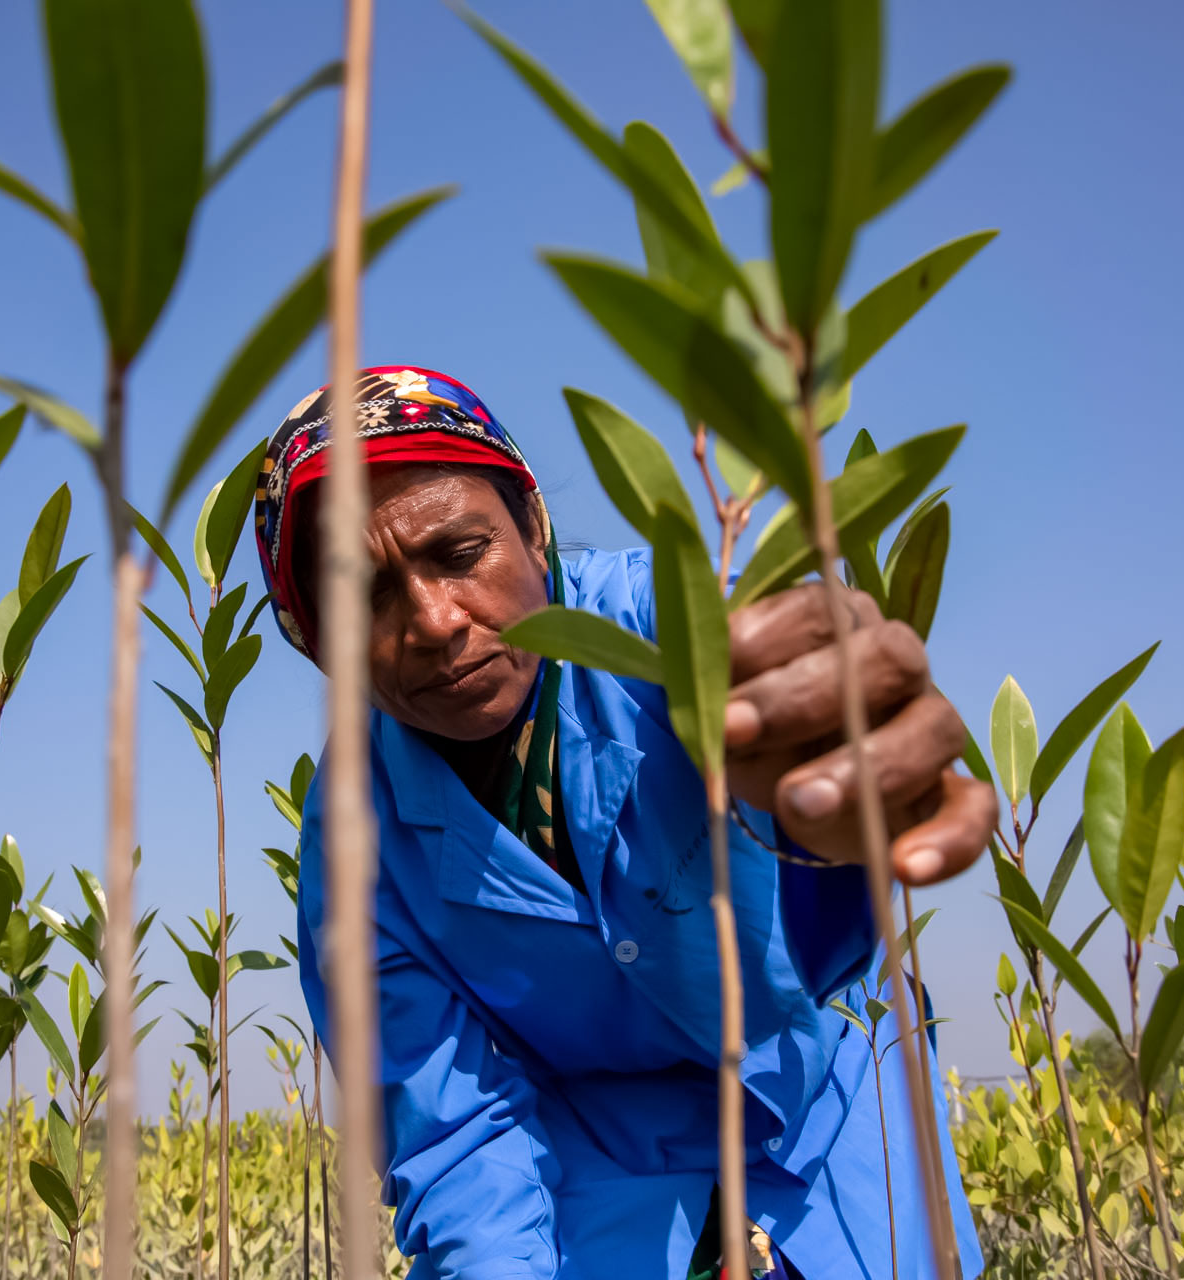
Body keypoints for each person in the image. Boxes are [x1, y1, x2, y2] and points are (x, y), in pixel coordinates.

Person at [254, 368, 995, 1279]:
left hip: (833, 1106)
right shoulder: (354, 852)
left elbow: (789, 680)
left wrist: (838, 759)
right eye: (362, 594)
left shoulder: (672, 626)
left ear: (533, 529)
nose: (436, 621)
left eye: (459, 552)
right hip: (605, 1180)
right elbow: (457, 1137)